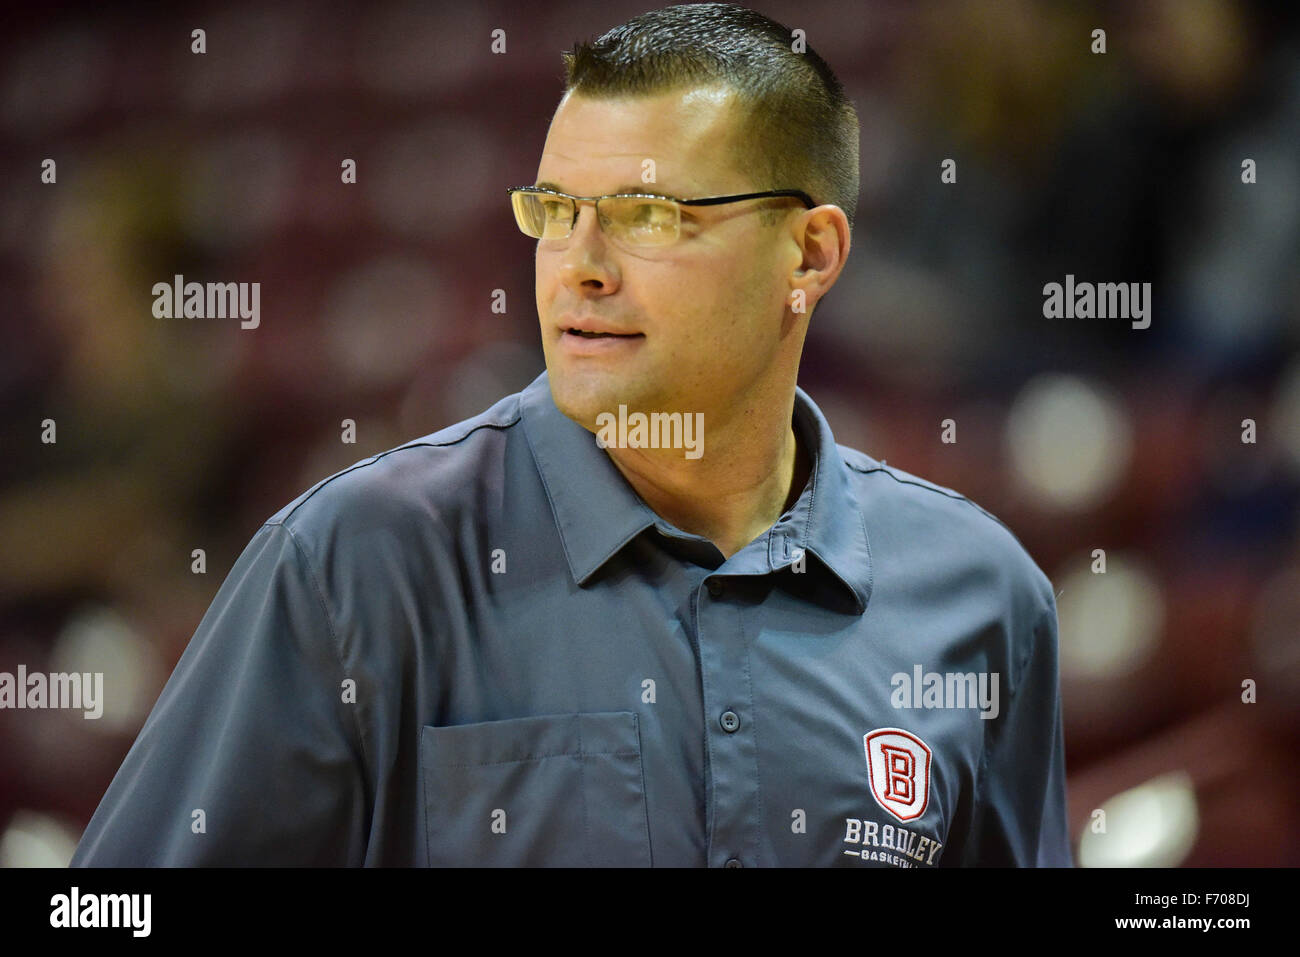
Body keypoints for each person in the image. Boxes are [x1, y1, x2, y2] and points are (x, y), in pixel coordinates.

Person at [71, 2, 1071, 867]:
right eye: (554, 211)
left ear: (808, 254)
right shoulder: (356, 560)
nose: (576, 268)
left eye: (644, 214)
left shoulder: (981, 595)